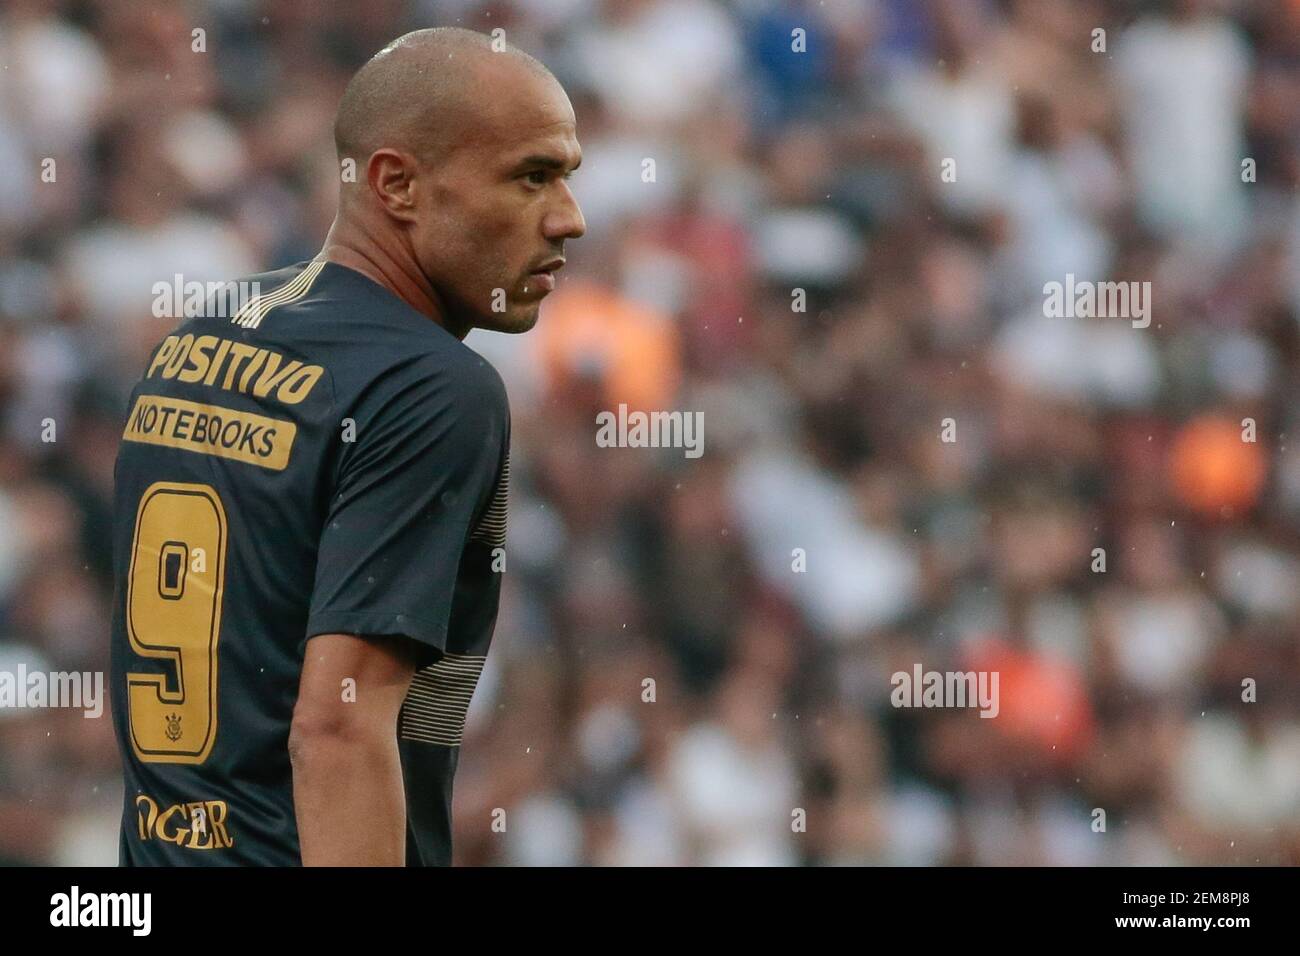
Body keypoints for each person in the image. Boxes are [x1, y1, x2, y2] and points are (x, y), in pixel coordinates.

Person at [108, 26, 586, 866]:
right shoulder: (433, 387)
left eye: (568, 177)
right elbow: (336, 725)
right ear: (396, 183)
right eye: (532, 176)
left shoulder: (199, 335)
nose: (569, 219)